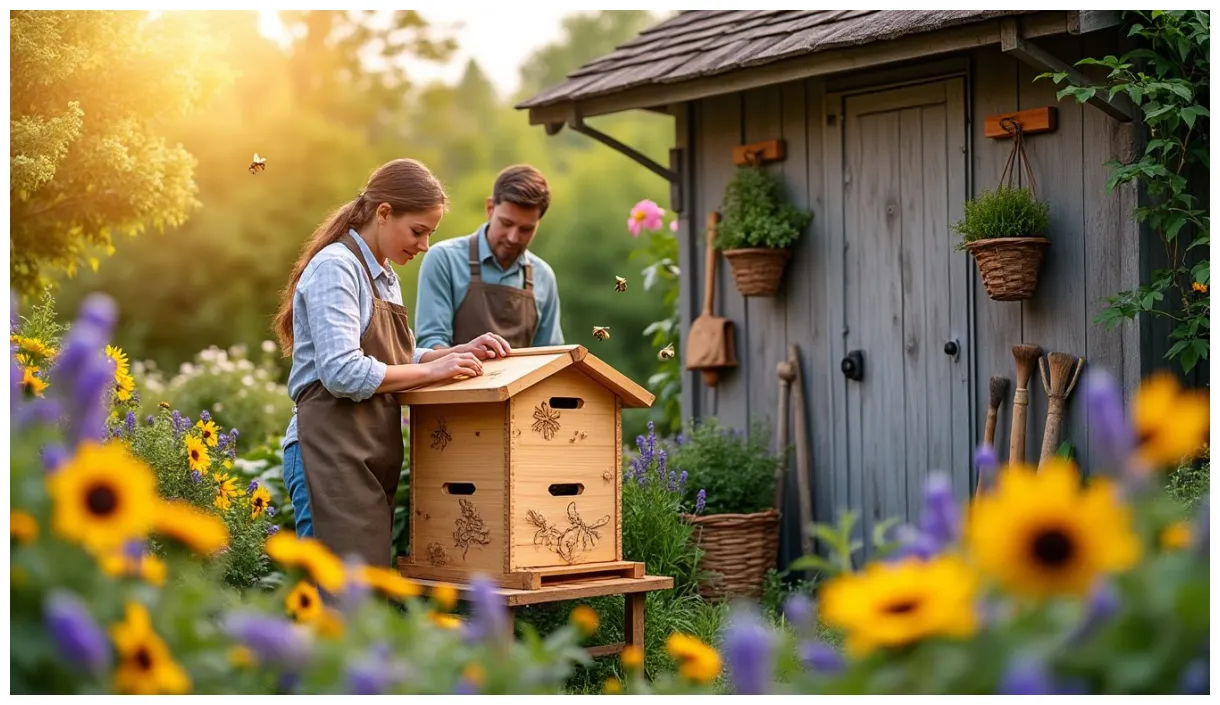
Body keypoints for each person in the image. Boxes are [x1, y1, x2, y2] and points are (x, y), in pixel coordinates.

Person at [271, 158, 512, 569]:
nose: (424, 246)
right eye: (418, 231)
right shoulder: (336, 267)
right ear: (383, 213)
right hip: (326, 451)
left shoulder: (384, 276)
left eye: (430, 234)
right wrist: (433, 371)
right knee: (341, 602)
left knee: (361, 604)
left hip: (365, 453)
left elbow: (396, 358)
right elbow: (342, 371)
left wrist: (453, 353)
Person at [413, 164, 564, 352]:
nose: (513, 237)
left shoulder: (543, 276)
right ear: (490, 208)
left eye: (526, 229)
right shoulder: (444, 259)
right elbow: (431, 342)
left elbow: (550, 355)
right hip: (457, 380)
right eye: (506, 223)